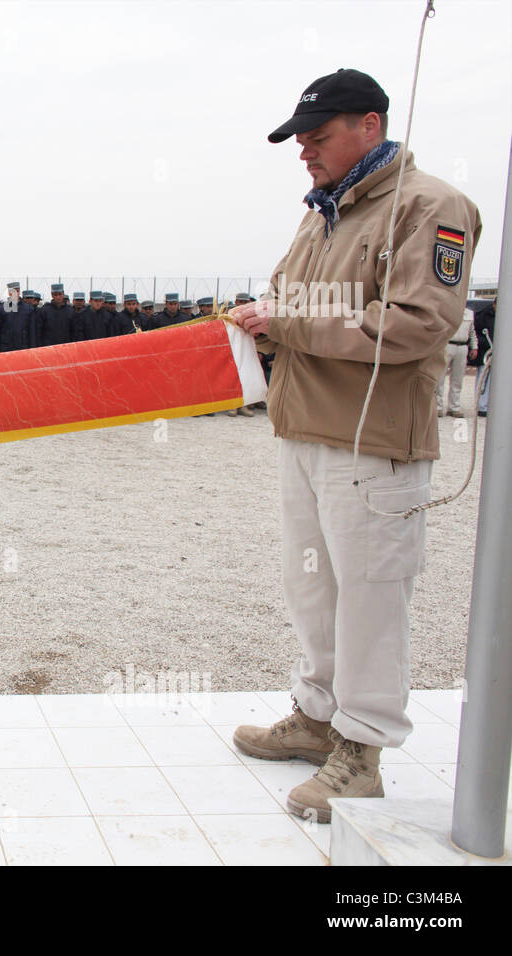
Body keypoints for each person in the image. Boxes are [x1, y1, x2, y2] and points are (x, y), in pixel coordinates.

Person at [231, 68, 481, 824]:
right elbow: (291, 302)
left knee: (372, 596)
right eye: (300, 140)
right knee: (313, 588)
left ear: (369, 125)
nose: (305, 152)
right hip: (304, 429)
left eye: (318, 137)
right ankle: (316, 717)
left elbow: (413, 326)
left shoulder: (432, 207)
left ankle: (362, 752)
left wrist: (286, 325)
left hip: (373, 441)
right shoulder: (322, 214)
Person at [435, 305, 477, 417]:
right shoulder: (447, 310)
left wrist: (474, 346)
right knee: (440, 378)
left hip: (462, 346)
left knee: (457, 379)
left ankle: (454, 407)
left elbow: (472, 332)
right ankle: (437, 406)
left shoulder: (469, 313)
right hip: (447, 345)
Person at [0, 282, 35, 352]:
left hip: (23, 348)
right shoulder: (1, 309)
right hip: (6, 349)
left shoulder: (28, 309)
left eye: (17, 291)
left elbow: (32, 332)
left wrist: (32, 349)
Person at [473, 296, 496, 416]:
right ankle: (481, 406)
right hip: (486, 352)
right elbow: (475, 333)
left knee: (494, 380)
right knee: (483, 379)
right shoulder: (483, 315)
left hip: (498, 352)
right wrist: (488, 344)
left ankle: (489, 405)